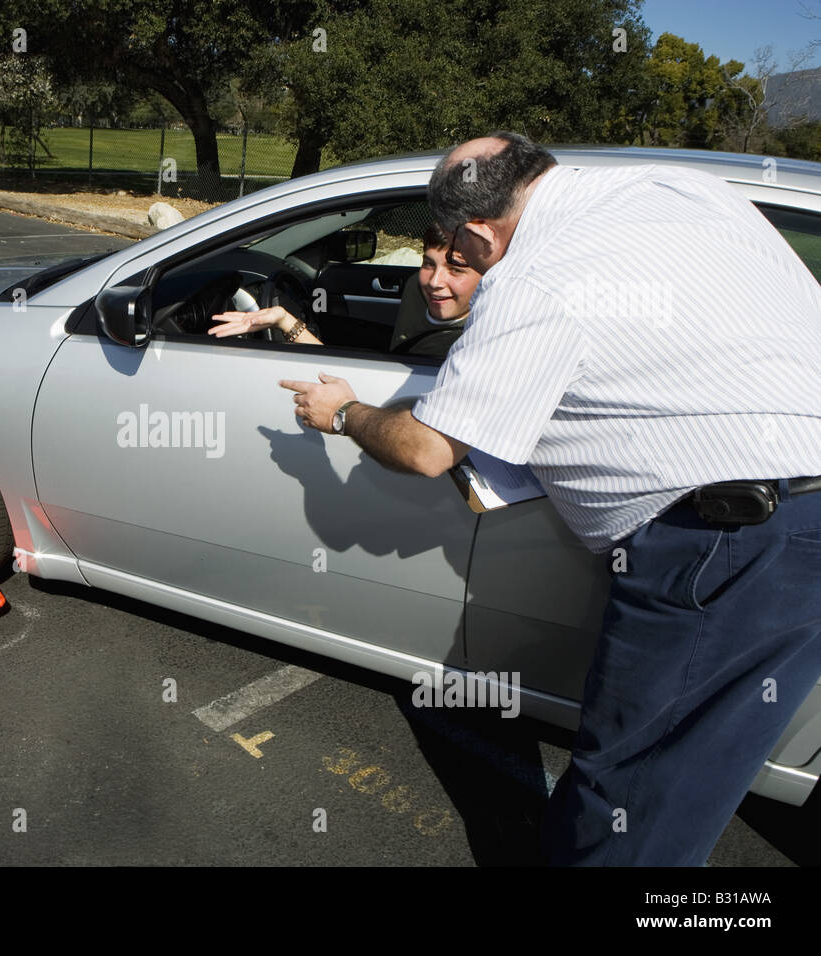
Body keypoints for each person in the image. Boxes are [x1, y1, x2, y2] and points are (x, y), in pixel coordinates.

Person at [280, 131, 821, 866]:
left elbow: (427, 447)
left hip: (725, 542)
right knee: (691, 769)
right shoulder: (680, 187)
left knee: (636, 794)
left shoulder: (537, 277)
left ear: (476, 231)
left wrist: (344, 414)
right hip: (795, 509)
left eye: (461, 257)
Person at [206, 222, 478, 354]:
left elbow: (359, 400)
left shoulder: (459, 350)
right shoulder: (416, 294)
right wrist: (282, 318)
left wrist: (286, 323)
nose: (434, 281)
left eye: (456, 269)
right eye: (428, 264)